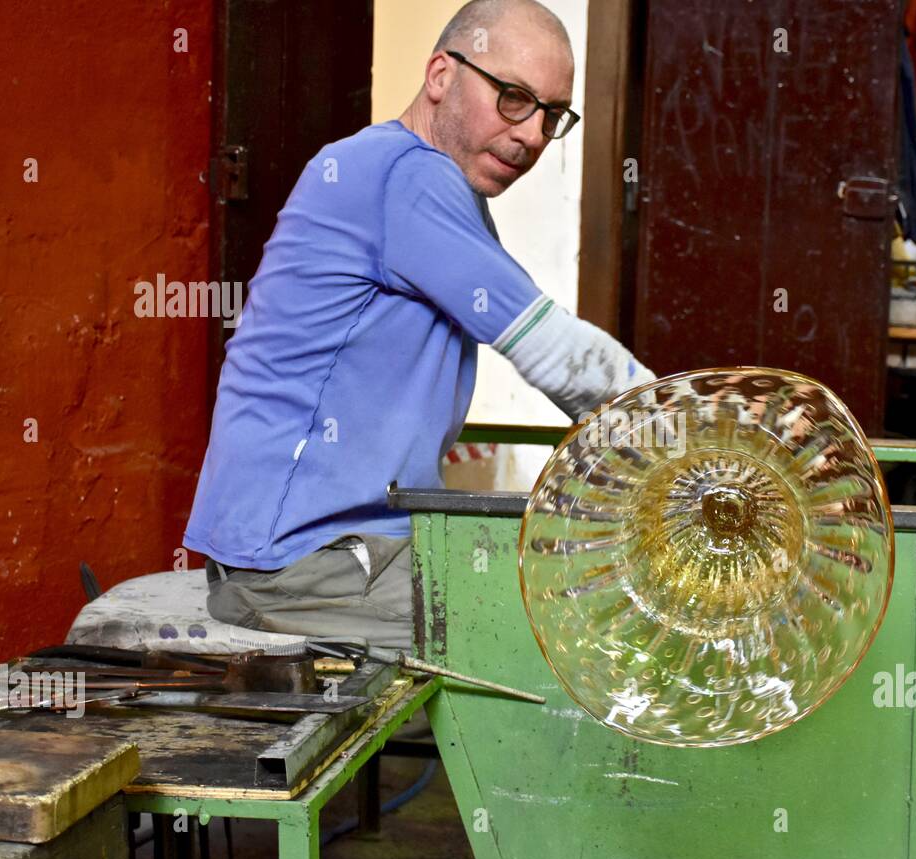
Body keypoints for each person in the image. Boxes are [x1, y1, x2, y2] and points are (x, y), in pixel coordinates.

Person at [183, 0, 653, 646]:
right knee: (578, 630)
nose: (533, 135)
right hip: (301, 568)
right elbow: (551, 350)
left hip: (345, 554)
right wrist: (698, 434)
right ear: (440, 75)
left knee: (574, 594)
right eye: (513, 98)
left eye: (552, 114)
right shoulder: (405, 175)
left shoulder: (429, 185)